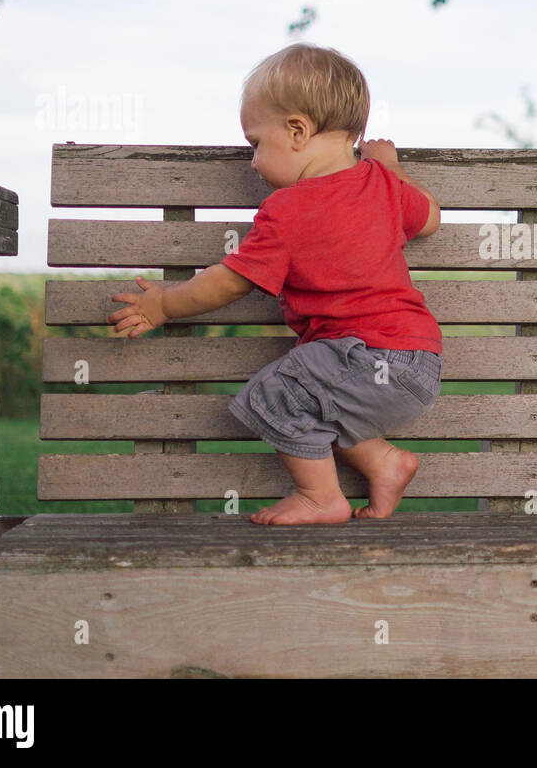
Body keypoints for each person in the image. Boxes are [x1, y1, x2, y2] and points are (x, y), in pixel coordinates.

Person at [107, 44, 442, 525]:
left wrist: (164, 306)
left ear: (298, 131)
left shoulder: (287, 210)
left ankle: (320, 497)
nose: (252, 162)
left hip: (370, 357)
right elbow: (430, 218)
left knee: (278, 392)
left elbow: (229, 282)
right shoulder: (380, 184)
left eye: (255, 144)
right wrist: (390, 168)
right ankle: (384, 462)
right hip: (417, 361)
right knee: (319, 392)